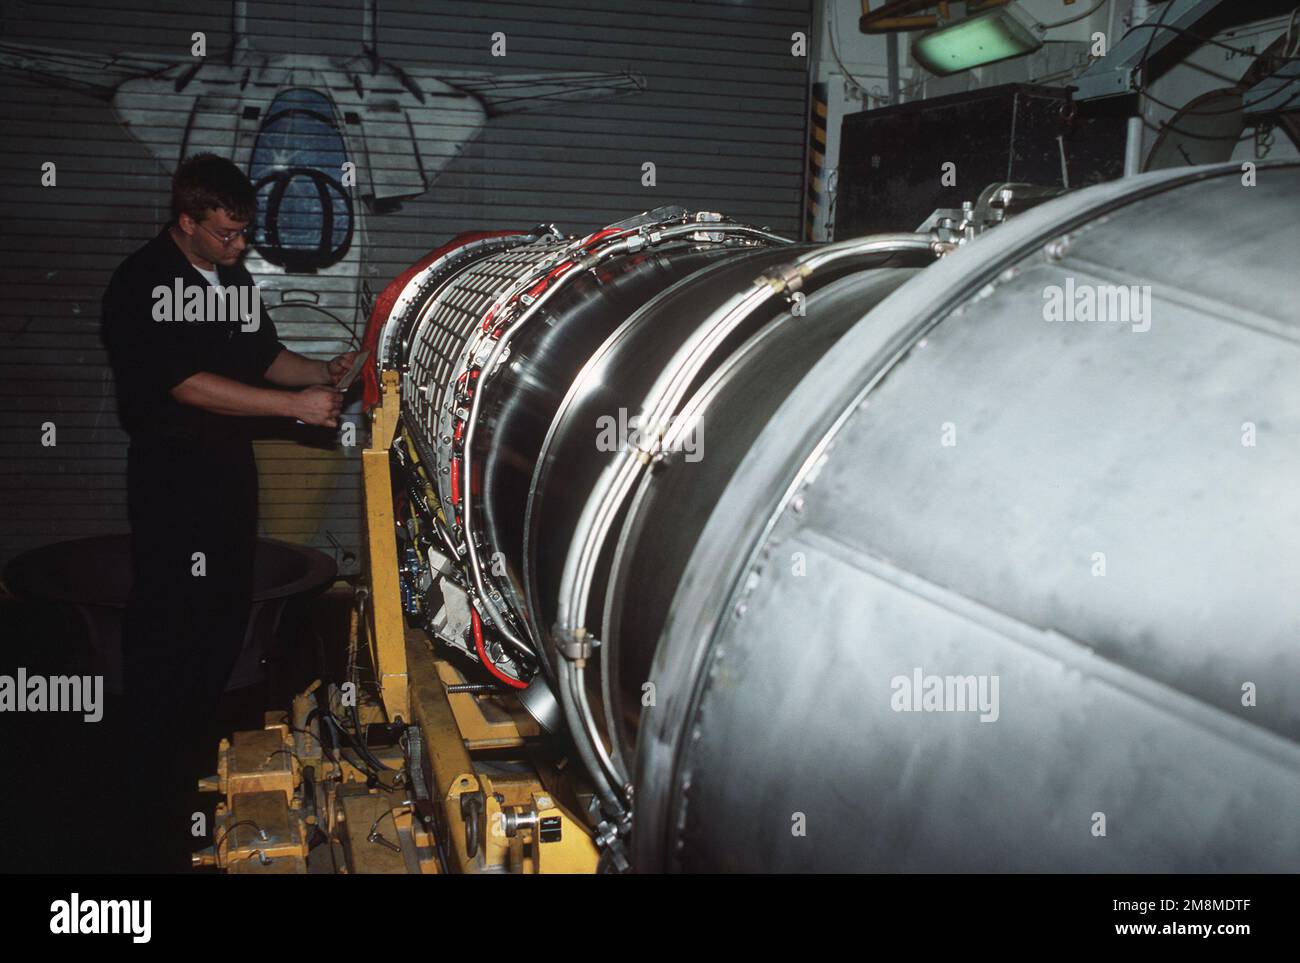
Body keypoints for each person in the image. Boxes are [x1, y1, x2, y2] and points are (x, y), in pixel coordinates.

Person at [100, 153, 353, 871]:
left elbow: (262, 356)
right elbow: (185, 384)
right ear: (187, 221)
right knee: (170, 625)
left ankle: (200, 757)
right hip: (172, 479)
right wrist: (294, 408)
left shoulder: (232, 280)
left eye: (244, 234)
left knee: (221, 614)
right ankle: (147, 793)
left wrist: (321, 371)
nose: (241, 247)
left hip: (226, 477)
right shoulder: (141, 283)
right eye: (227, 234)